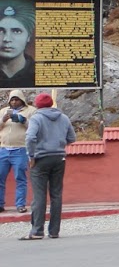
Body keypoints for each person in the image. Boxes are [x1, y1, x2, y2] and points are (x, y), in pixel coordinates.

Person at [20, 93, 74, 240]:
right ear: (51, 104)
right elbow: (72, 138)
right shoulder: (63, 118)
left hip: (40, 159)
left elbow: (30, 137)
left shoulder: (36, 118)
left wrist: (31, 155)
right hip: (59, 158)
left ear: (37, 105)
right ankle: (54, 231)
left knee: (39, 195)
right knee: (56, 194)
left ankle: (37, 230)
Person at [1, 90, 33, 214]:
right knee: (0, 178)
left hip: (20, 149)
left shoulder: (30, 111)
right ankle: (0, 204)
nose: (14, 102)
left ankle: (20, 204)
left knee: (20, 178)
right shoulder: (3, 111)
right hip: (3, 149)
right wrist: (3, 120)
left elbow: (34, 126)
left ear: (22, 100)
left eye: (17, 99)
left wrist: (22, 120)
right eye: (12, 100)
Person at [0, 3, 35, 87]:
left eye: (16, 31)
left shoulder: (38, 73)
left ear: (28, 36)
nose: (7, 39)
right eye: (1, 31)